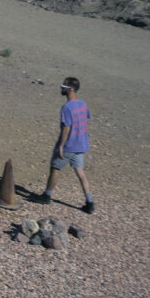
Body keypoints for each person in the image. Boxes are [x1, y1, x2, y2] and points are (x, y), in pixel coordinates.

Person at [38, 76, 95, 213]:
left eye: (63, 86)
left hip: (69, 145)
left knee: (55, 168)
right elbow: (85, 119)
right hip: (81, 144)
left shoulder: (67, 107)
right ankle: (90, 203)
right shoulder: (83, 104)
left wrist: (61, 146)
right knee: (80, 172)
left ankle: (46, 196)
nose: (61, 88)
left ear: (70, 89)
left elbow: (66, 128)